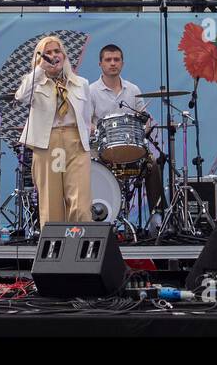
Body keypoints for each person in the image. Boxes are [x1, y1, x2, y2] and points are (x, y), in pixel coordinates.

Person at [15, 35, 93, 226]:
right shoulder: (34, 83)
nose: (53, 55)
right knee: (51, 205)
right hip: (47, 142)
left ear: (64, 56)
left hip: (75, 142)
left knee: (81, 204)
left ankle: (80, 246)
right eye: (48, 52)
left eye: (57, 51)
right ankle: (55, 250)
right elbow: (20, 97)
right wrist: (41, 68)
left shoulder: (80, 83)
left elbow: (87, 117)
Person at [87, 44, 166, 216]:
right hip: (101, 151)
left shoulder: (133, 90)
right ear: (100, 64)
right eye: (108, 60)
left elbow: (145, 122)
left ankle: (157, 217)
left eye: (116, 60)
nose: (113, 63)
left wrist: (143, 129)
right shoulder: (91, 91)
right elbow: (86, 123)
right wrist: (101, 132)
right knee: (86, 167)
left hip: (132, 148)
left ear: (122, 63)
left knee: (152, 164)